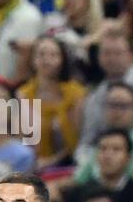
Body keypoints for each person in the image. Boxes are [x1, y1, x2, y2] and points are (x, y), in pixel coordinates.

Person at [16, 35, 83, 165]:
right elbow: (23, 140)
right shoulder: (23, 94)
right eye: (41, 54)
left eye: (53, 55)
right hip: (35, 165)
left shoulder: (76, 94)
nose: (47, 60)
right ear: (33, 60)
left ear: (62, 59)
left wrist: (54, 161)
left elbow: (80, 136)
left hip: (71, 163)